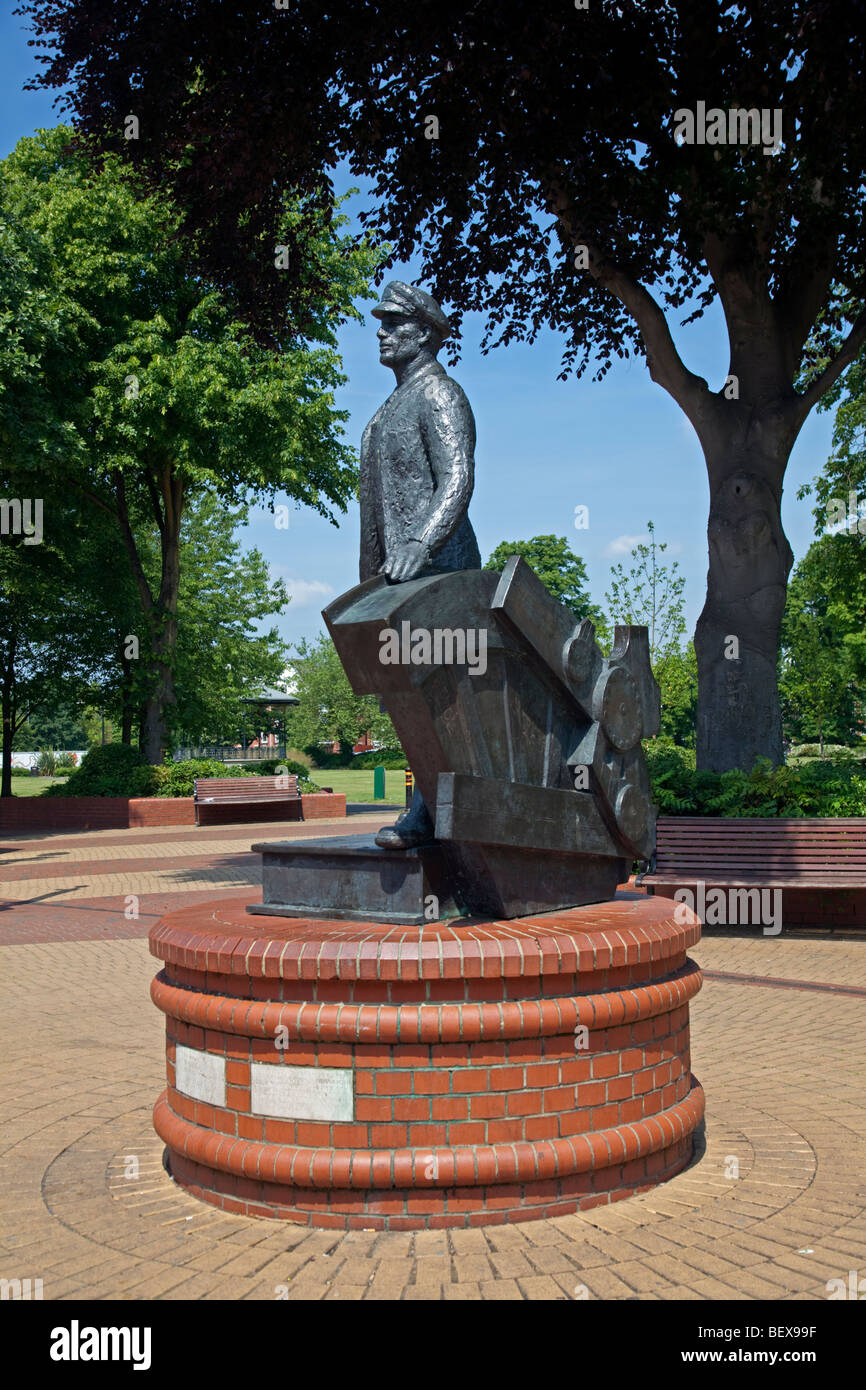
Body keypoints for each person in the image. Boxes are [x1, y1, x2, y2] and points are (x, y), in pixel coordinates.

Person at [359, 281, 481, 848]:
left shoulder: (440, 394)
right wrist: (370, 574)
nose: (381, 333)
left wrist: (421, 543)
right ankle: (431, 808)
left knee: (435, 693)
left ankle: (430, 813)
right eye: (380, 323)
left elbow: (457, 479)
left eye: (394, 324)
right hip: (396, 577)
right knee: (404, 693)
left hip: (439, 572)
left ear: (427, 333)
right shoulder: (389, 407)